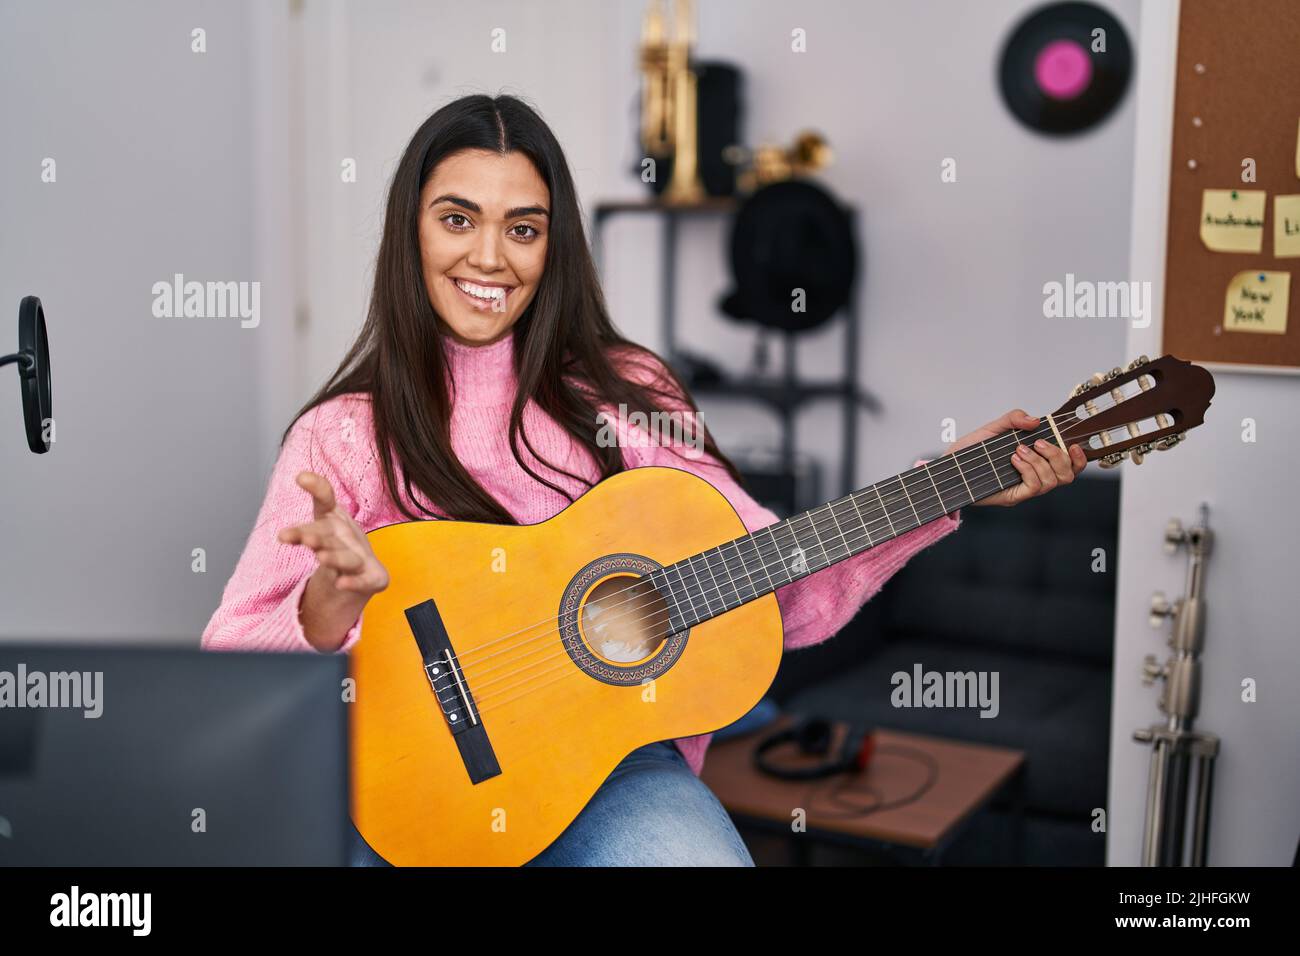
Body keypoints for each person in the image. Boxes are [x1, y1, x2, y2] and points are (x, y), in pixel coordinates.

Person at [200, 93, 1087, 866]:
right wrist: (328, 618)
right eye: (457, 218)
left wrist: (948, 487)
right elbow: (230, 665)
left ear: (555, 245)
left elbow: (777, 591)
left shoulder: (631, 393)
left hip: (614, 775)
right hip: (410, 787)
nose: (490, 258)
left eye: (523, 228)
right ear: (412, 229)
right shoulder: (343, 435)